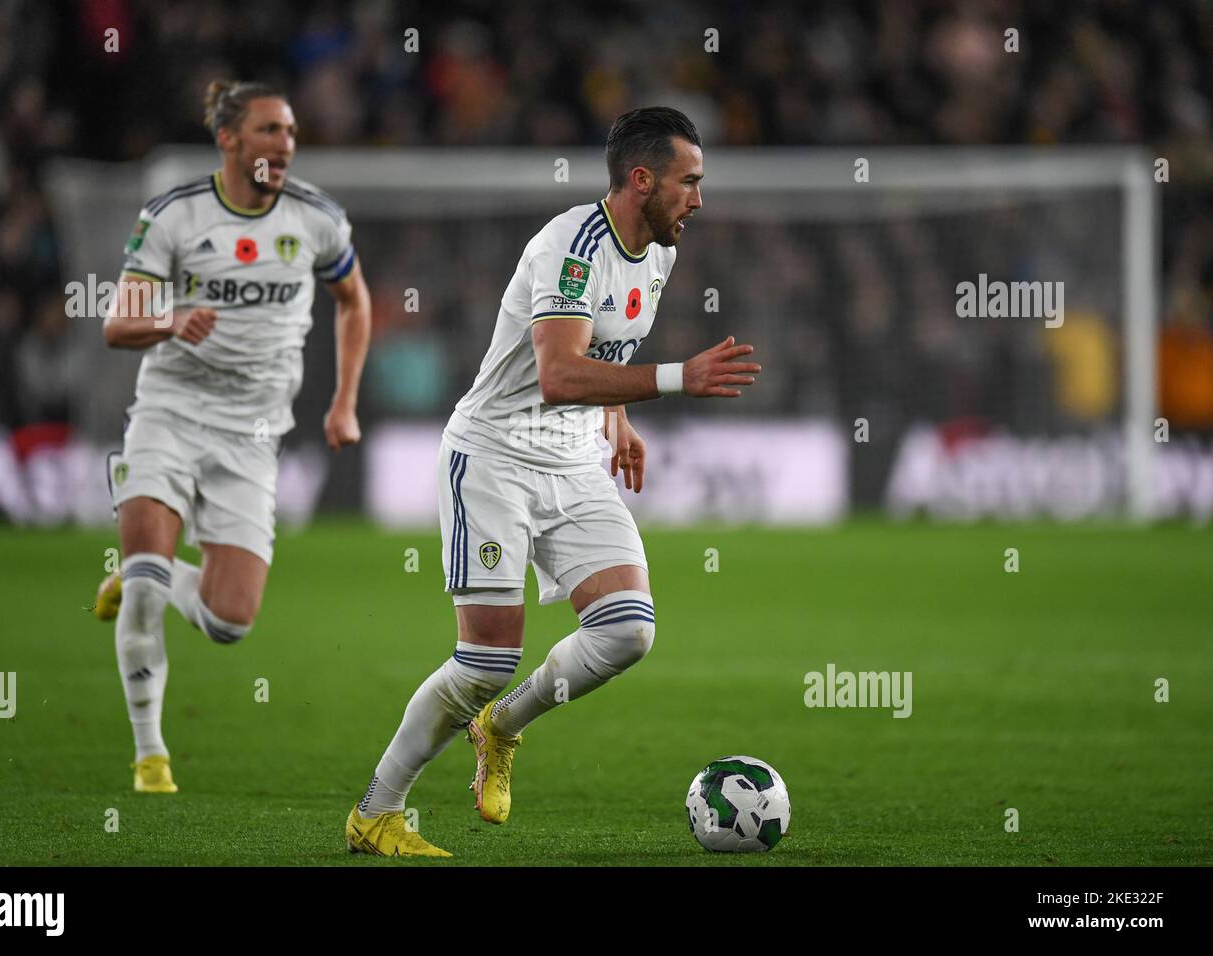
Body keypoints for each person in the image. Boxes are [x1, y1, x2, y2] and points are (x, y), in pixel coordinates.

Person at [346, 106, 760, 856]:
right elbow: (559, 370)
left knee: (628, 630)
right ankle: (377, 810)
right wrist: (676, 378)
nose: (698, 199)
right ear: (642, 180)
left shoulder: (659, 253)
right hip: (495, 457)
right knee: (486, 661)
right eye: (688, 182)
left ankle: (501, 728)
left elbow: (606, 349)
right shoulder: (569, 247)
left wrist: (621, 417)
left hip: (572, 460)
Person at [93, 80, 372, 794]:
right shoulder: (173, 214)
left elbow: (354, 300)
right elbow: (118, 326)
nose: (285, 146)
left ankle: (137, 575)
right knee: (153, 586)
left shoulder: (317, 219)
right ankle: (149, 753)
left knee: (228, 623)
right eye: (270, 131)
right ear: (229, 140)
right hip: (170, 413)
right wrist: (170, 322)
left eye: (291, 133)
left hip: (254, 432)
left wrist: (343, 402)